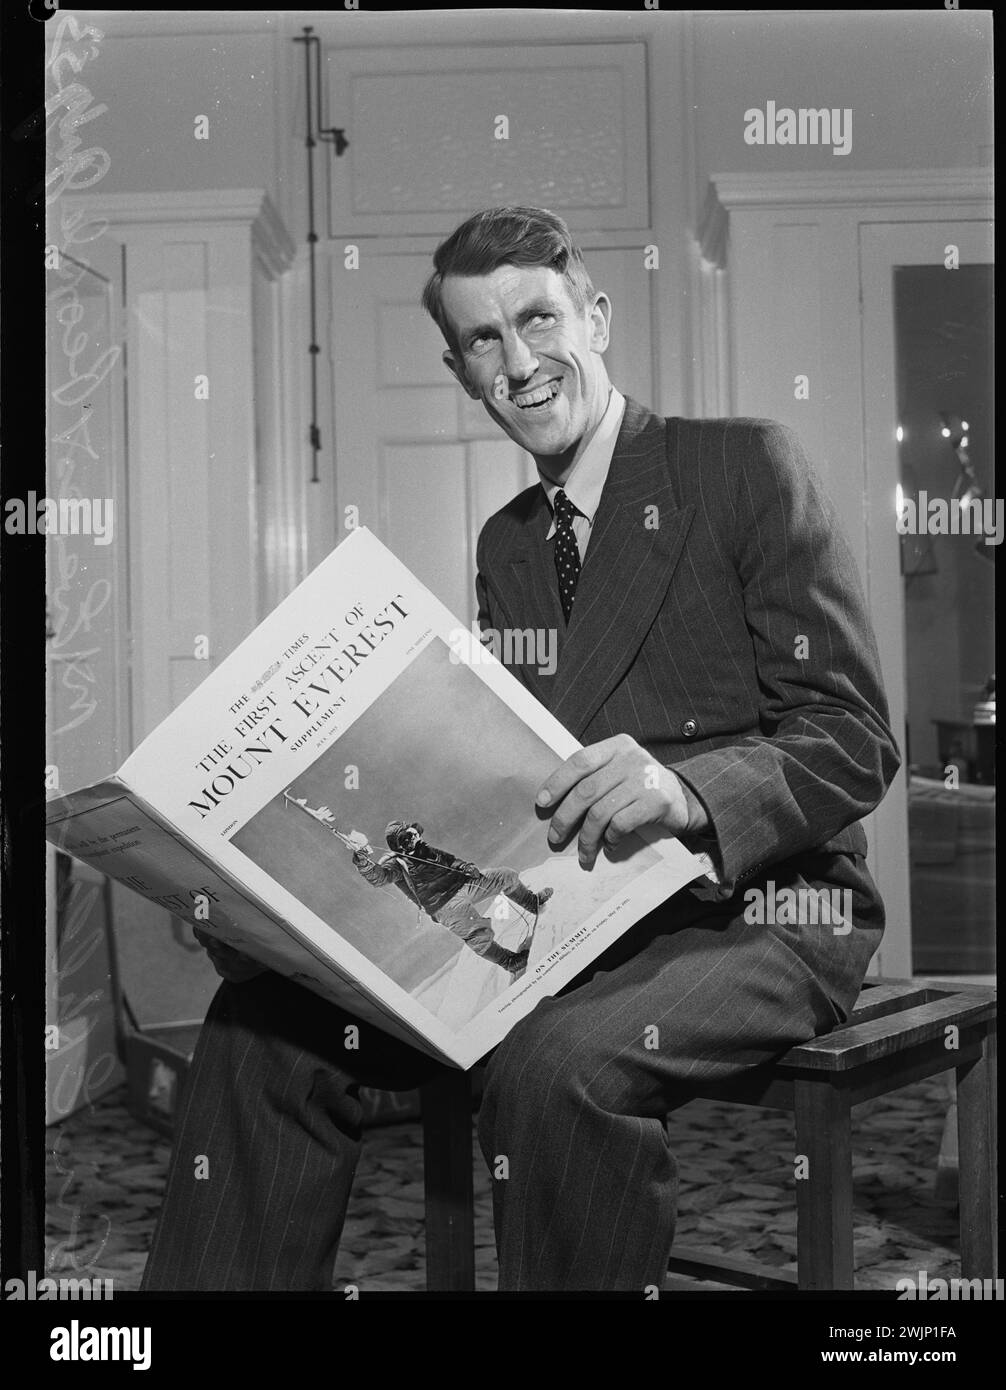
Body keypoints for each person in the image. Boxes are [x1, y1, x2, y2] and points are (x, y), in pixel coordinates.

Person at [142, 205, 899, 1293]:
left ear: (592, 314)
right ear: (462, 375)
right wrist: (279, 901)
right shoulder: (507, 544)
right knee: (262, 1023)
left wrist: (684, 789)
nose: (520, 360)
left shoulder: (741, 467)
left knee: (553, 1070)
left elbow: (850, 737)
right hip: (569, 915)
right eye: (483, 342)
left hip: (765, 915)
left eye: (537, 318)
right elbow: (512, 779)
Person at [352, 819, 550, 976]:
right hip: (444, 905)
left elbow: (451, 861)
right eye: (405, 839)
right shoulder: (396, 864)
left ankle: (533, 903)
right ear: (398, 845)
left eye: (411, 835)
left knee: (505, 876)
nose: (411, 840)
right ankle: (510, 962)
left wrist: (466, 867)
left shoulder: (426, 850)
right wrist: (362, 860)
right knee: (477, 933)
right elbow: (379, 878)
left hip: (464, 884)